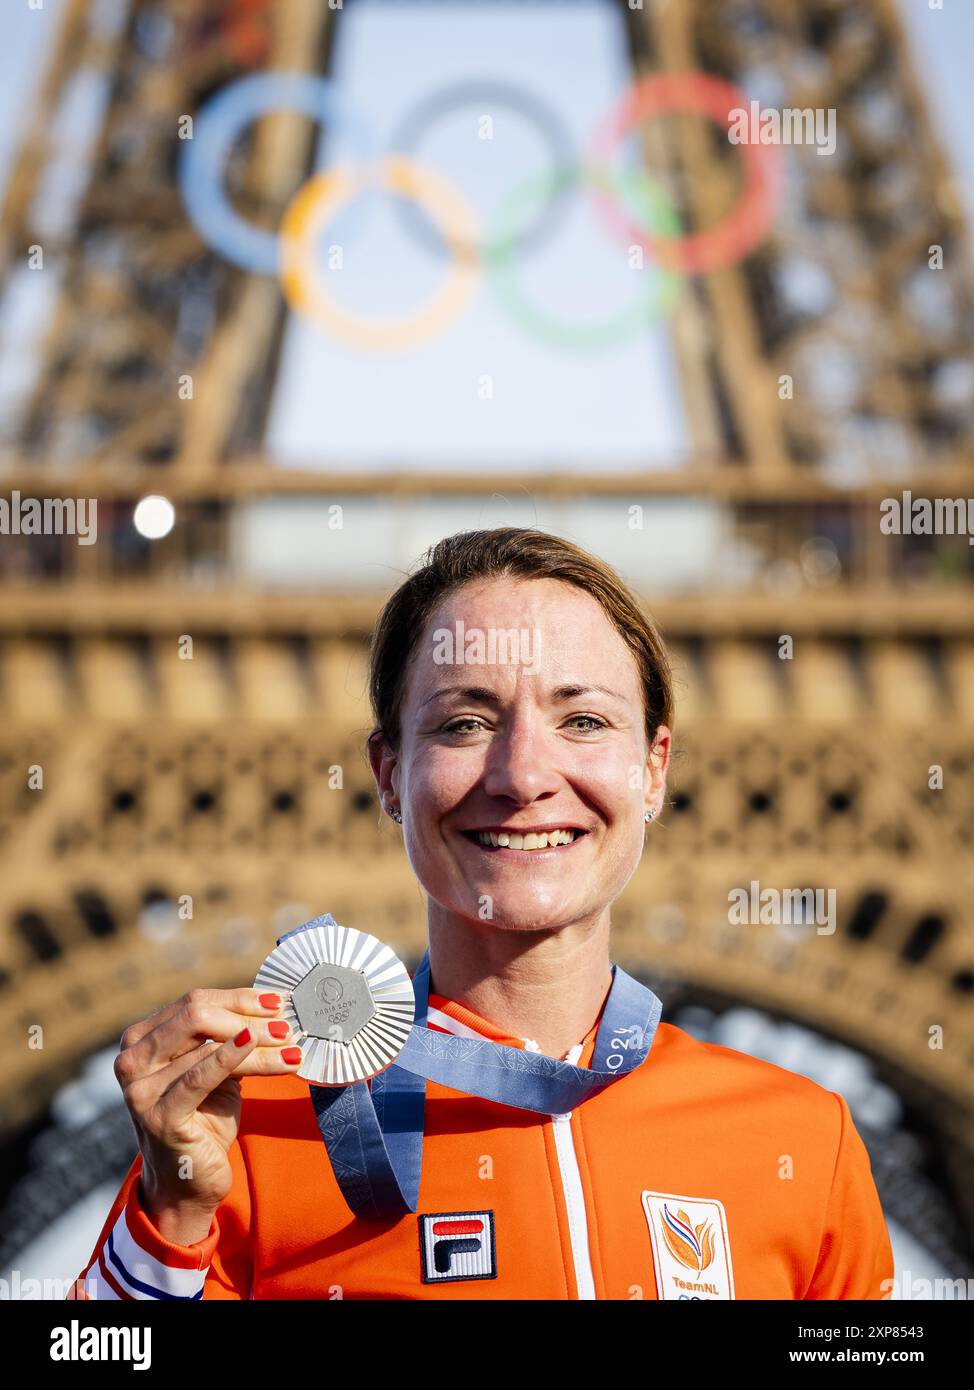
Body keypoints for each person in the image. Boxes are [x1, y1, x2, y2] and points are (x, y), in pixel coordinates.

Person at [70, 527, 893, 1300]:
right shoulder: (246, 1142)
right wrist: (172, 1223)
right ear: (389, 774)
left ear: (655, 767)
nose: (524, 773)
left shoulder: (802, 1142)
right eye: (466, 722)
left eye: (583, 719)